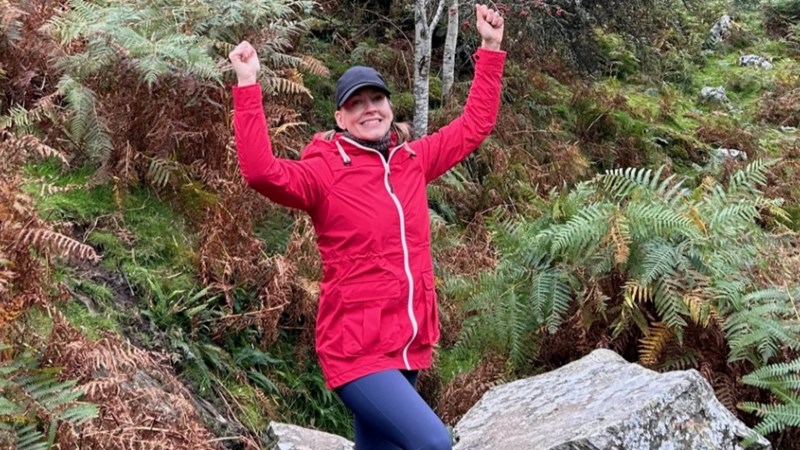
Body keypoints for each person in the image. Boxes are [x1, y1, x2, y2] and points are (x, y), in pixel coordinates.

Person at [229, 5, 505, 449]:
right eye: (355, 104)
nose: (369, 109)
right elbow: (262, 172)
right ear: (340, 119)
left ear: (389, 107)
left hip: (407, 341)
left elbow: (475, 126)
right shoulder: (323, 173)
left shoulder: (412, 161)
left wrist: (490, 48)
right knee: (434, 443)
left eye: (376, 99)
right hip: (355, 350)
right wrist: (248, 84)